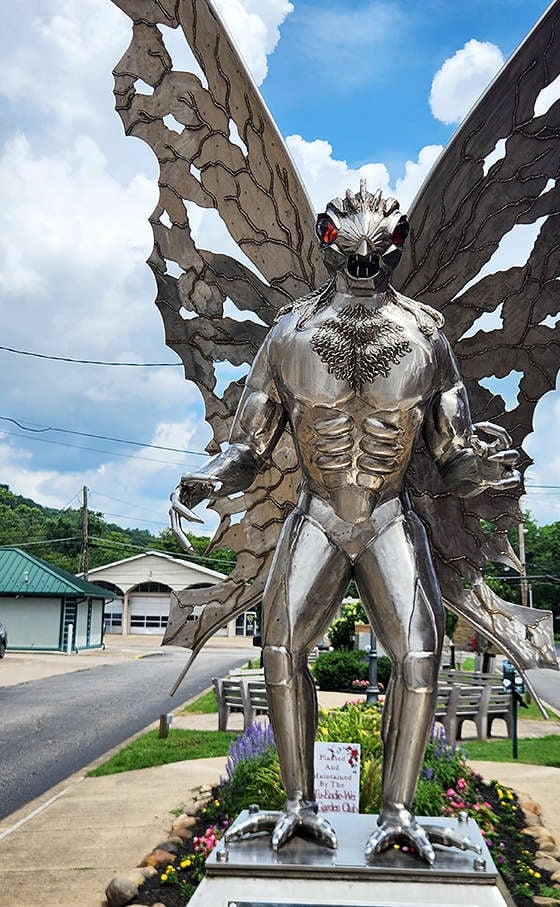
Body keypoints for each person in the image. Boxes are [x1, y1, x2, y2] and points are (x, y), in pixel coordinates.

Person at [170, 183, 519, 863]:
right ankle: (298, 804)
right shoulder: (289, 334)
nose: (364, 265)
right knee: (279, 648)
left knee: (420, 656)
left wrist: (485, 467)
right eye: (351, 252)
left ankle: (398, 811)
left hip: (390, 515)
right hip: (319, 513)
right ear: (327, 242)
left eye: (377, 253)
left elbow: (451, 457)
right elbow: (249, 445)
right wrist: (211, 477)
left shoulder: (426, 335)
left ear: (396, 247)